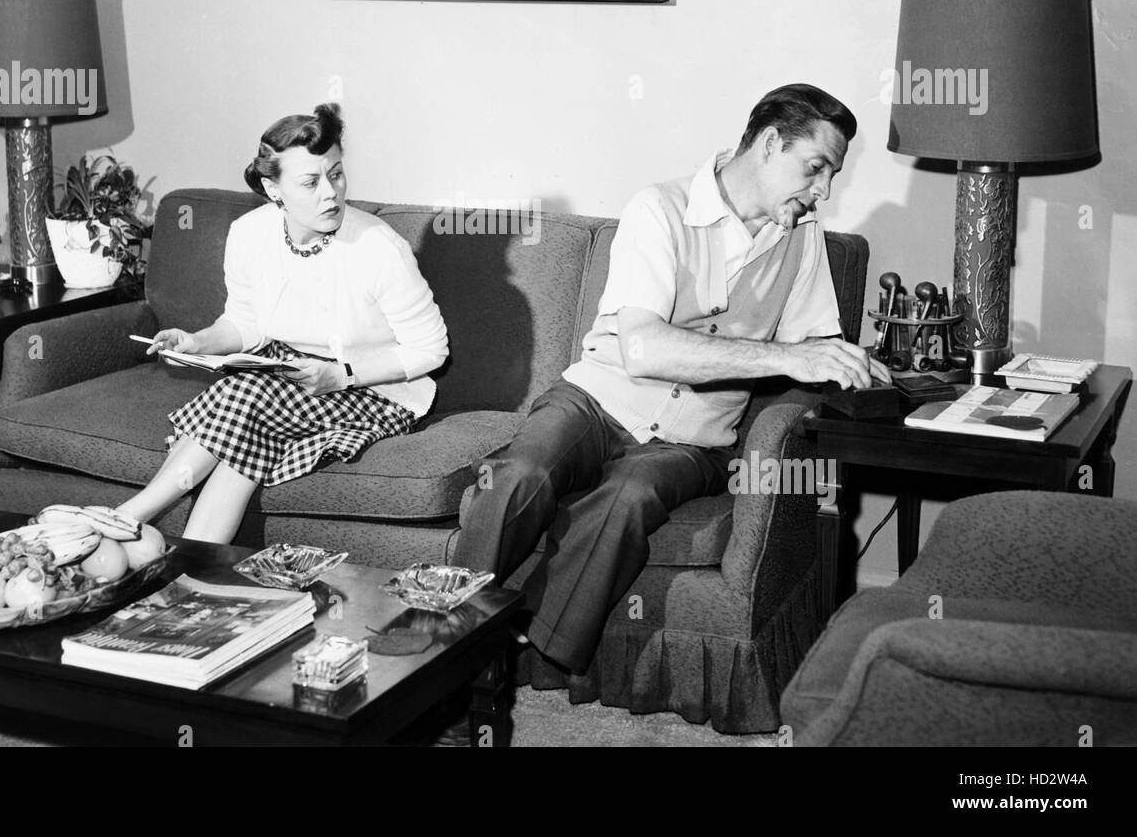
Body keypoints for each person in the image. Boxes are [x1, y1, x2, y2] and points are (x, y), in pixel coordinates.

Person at [452, 83, 890, 674]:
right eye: (815, 169)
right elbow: (642, 348)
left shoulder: (802, 238)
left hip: (694, 438)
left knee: (629, 497)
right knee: (517, 475)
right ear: (767, 144)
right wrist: (786, 358)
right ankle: (444, 633)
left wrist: (848, 362)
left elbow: (814, 342)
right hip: (595, 400)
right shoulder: (658, 208)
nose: (824, 192)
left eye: (831, 175)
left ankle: (525, 653)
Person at [119, 103, 448, 543]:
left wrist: (343, 375)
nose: (330, 193)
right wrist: (197, 342)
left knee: (245, 395)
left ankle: (127, 516)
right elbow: (245, 324)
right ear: (273, 189)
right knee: (242, 434)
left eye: (336, 174)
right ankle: (193, 570)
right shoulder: (249, 234)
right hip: (284, 377)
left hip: (373, 390)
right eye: (310, 182)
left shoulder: (378, 248)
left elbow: (430, 349)